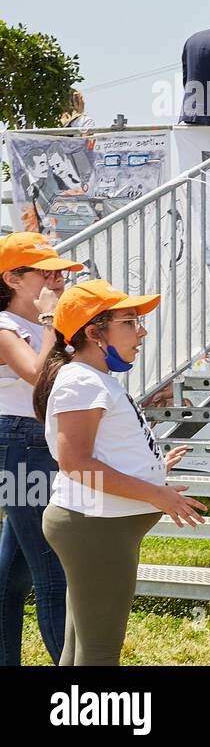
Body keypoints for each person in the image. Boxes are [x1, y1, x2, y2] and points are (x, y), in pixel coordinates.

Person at [35, 280, 205, 666]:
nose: (141, 332)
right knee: (98, 652)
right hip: (95, 527)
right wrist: (156, 494)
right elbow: (75, 463)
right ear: (94, 333)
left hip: (98, 526)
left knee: (81, 649)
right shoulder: (82, 381)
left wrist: (151, 468)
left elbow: (98, 452)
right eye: (129, 322)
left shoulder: (93, 378)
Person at [0, 234, 82, 665]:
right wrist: (52, 317)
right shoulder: (6, 326)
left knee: (13, 574)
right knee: (52, 570)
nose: (58, 278)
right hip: (19, 442)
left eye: (60, 271)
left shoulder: (46, 326)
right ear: (13, 279)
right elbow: (38, 374)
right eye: (46, 272)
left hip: (38, 442)